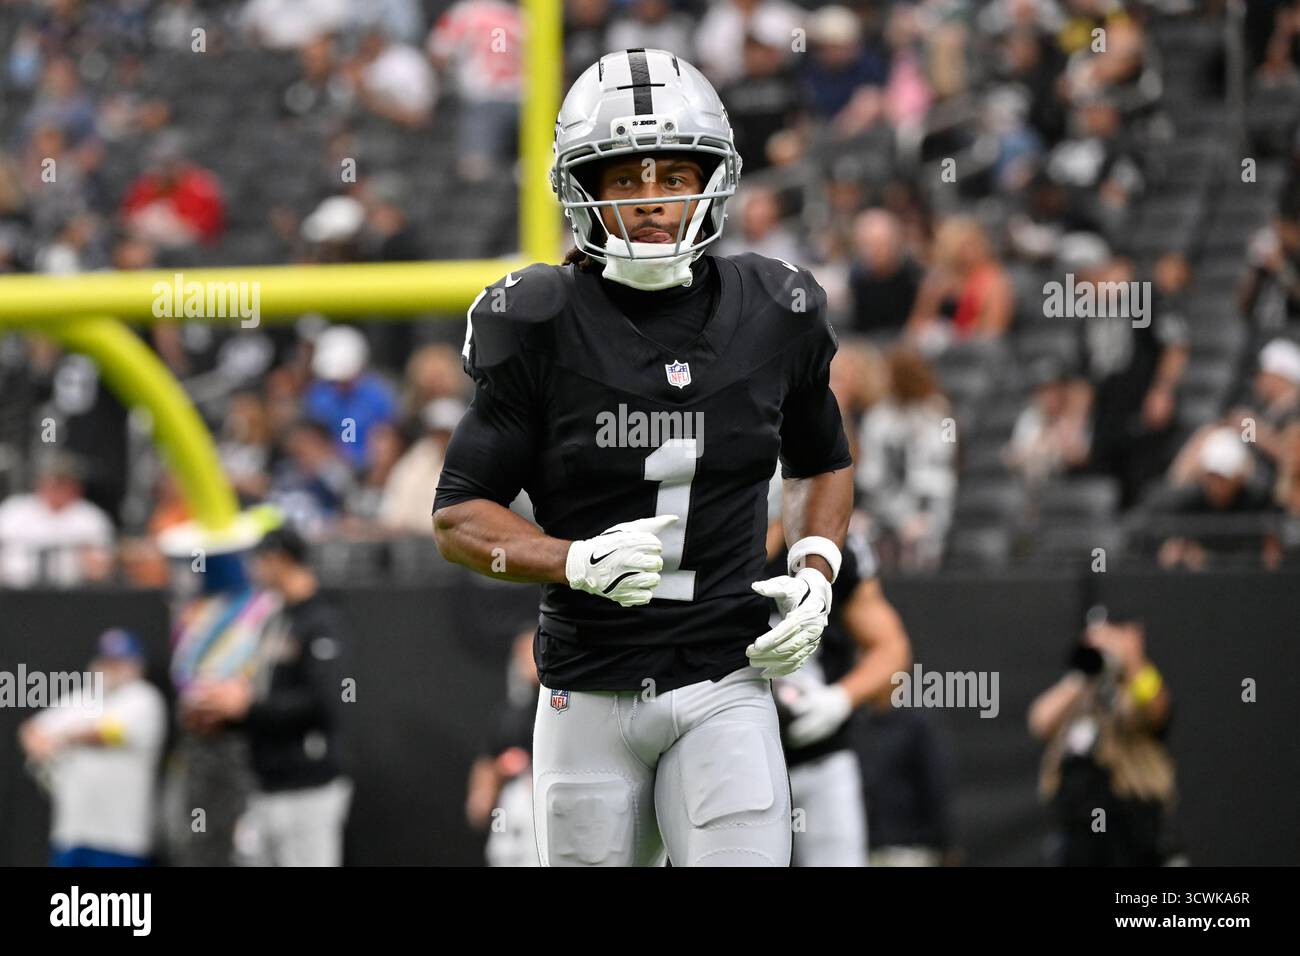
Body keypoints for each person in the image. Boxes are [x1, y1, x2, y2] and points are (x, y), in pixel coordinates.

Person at [433, 49, 854, 867]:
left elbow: (822, 457)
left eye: (673, 173)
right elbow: (457, 516)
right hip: (588, 686)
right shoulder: (537, 322)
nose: (655, 198)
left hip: (723, 679)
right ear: (583, 190)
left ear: (713, 179)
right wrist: (573, 559)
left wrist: (816, 566)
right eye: (627, 177)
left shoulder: (779, 308)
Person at [184, 526, 352, 866]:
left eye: (259, 559)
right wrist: (225, 714)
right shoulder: (275, 620)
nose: (253, 568)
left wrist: (247, 708)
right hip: (264, 785)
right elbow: (261, 697)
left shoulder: (320, 622)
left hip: (307, 787)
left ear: (280, 559)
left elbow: (325, 702)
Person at [763, 483, 912, 867]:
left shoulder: (828, 546)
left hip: (819, 754)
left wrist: (839, 699)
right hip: (725, 749)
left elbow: (892, 648)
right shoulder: (703, 538)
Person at [1029, 605, 1184, 867]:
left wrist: (1131, 658)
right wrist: (1085, 671)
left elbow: (1156, 708)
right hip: (1079, 829)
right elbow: (1040, 720)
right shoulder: (1082, 691)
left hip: (1130, 828)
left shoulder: (1139, 685)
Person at [19, 629, 167, 867]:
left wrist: (61, 738)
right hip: (72, 833)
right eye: (108, 660)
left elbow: (106, 733)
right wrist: (47, 747)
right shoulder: (82, 699)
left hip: (122, 839)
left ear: (136, 664)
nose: (113, 668)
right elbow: (31, 731)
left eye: (120, 661)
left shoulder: (144, 699)